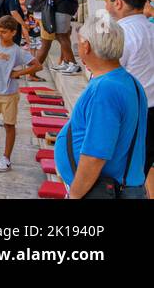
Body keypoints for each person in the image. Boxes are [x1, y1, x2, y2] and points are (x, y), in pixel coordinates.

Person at [55, 11, 148, 198]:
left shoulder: (106, 89)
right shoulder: (128, 81)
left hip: (106, 190)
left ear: (85, 46)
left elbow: (95, 154)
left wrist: (74, 194)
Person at [106, 0, 154, 197]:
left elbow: (108, 77)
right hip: (151, 110)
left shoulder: (121, 35)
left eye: (107, 0)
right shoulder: (151, 29)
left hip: (131, 113)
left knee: (119, 177)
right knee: (140, 170)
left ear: (118, 3)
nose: (105, 6)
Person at [0, 16, 39, 173]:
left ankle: (6, 158)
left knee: (9, 125)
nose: (0, 34)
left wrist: (19, 72)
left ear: (13, 32)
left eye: (4, 32)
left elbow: (37, 65)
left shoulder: (17, 51)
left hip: (9, 95)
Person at [44, 0, 81, 74]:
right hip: (61, 6)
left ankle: (73, 63)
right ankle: (66, 62)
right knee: (63, 35)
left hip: (64, 7)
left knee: (61, 35)